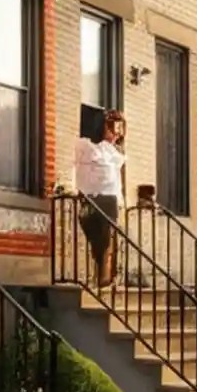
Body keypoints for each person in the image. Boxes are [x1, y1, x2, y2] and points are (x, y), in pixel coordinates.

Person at [75, 110, 126, 287]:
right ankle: (100, 275)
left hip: (109, 199)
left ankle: (105, 278)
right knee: (96, 238)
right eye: (112, 128)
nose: (116, 133)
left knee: (108, 240)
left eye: (119, 129)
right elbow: (80, 170)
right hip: (91, 198)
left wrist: (120, 201)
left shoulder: (114, 153)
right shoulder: (88, 148)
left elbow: (116, 180)